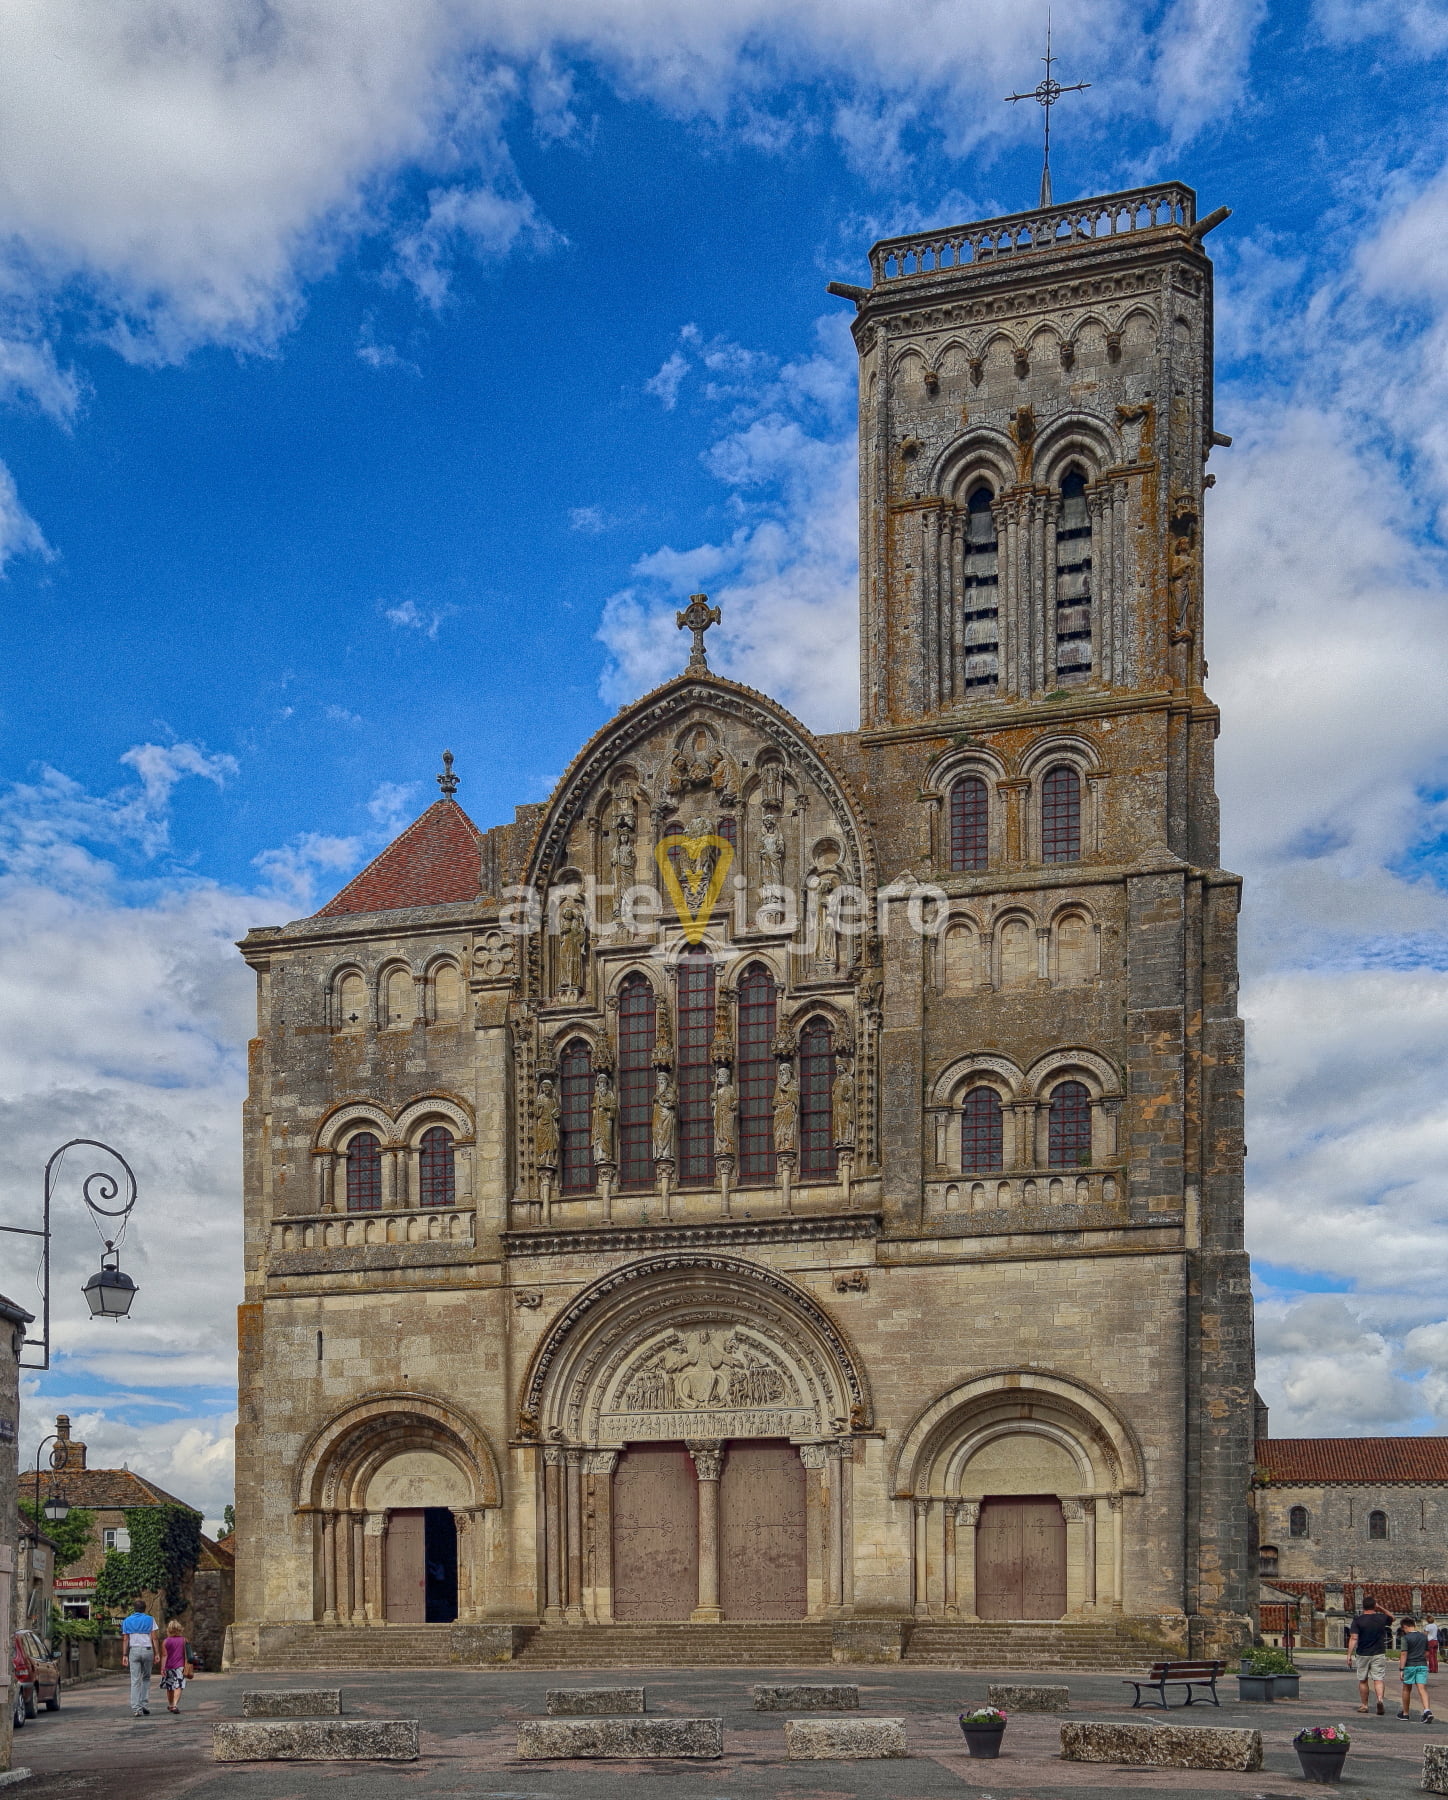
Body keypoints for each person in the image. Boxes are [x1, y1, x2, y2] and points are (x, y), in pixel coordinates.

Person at [1346, 1595, 1394, 1715]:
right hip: (1379, 1652)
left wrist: (1349, 1655)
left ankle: (1364, 1705)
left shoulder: (1358, 1620)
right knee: (1378, 1679)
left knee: (1363, 1680)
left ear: (1363, 1606)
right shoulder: (1381, 1618)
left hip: (1363, 1653)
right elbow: (1392, 1618)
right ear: (1374, 1606)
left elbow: (1354, 1638)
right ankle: (1380, 1700)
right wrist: (1381, 1608)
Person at [120, 1605, 160, 1717]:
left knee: (135, 1680)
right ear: (144, 1608)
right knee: (146, 1678)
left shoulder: (127, 1621)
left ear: (134, 1608)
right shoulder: (150, 1619)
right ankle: (144, 1705)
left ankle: (136, 1709)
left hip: (134, 1650)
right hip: (147, 1650)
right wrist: (157, 1653)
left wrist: (124, 1655)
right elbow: (154, 1637)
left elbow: (125, 1639)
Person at [1398, 1615, 1435, 1722]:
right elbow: (1427, 1652)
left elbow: (1404, 1654)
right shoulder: (1424, 1636)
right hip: (1422, 1664)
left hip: (1410, 1665)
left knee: (1406, 1689)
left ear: (1405, 1626)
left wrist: (1401, 1669)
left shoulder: (1406, 1638)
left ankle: (1405, 1713)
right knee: (1422, 1689)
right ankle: (1427, 1710)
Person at [159, 1619, 189, 1714]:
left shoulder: (165, 1641)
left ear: (169, 1630)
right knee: (178, 1685)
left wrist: (162, 1668)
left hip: (169, 1666)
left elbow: (164, 1655)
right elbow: (188, 1654)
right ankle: (175, 1705)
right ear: (179, 1629)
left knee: (169, 1686)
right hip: (180, 1666)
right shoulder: (184, 1640)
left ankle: (171, 1704)